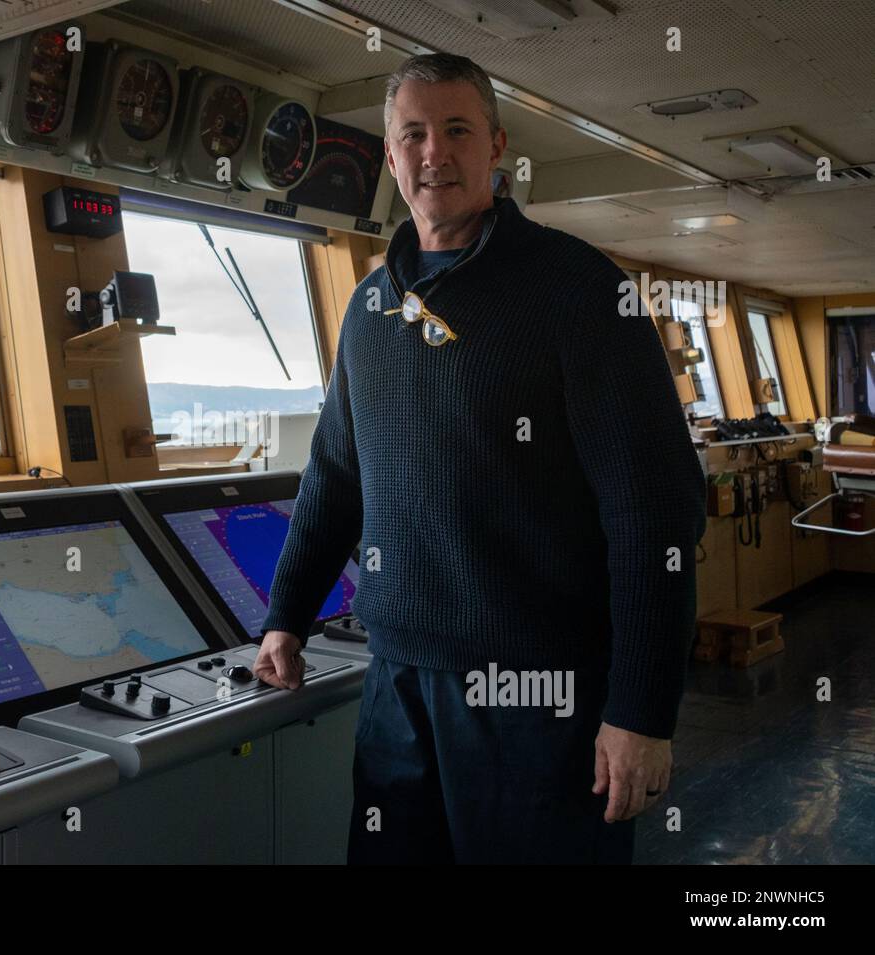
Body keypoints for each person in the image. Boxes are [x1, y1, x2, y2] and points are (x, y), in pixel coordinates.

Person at [252, 51, 707, 864]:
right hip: (397, 686)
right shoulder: (369, 306)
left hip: (541, 698)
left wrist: (642, 709)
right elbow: (335, 475)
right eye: (414, 134)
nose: (435, 152)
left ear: (496, 145)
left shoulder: (579, 291)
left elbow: (655, 510)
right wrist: (288, 612)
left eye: (456, 129)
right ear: (391, 158)